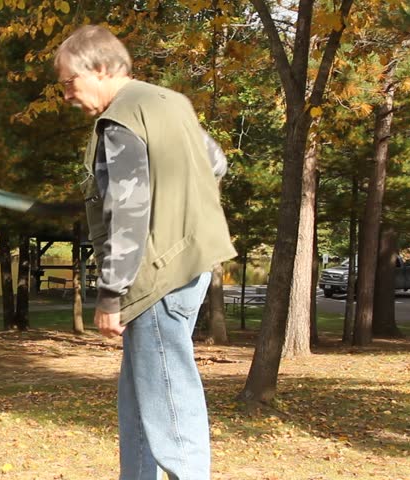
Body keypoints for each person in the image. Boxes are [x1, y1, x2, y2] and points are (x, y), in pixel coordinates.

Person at [54, 25, 237, 480]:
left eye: (67, 84)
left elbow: (129, 213)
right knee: (142, 393)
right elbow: (216, 163)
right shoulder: (169, 102)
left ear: (97, 69)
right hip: (190, 264)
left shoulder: (120, 120)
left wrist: (111, 294)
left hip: (156, 277)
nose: (66, 97)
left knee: (170, 396)